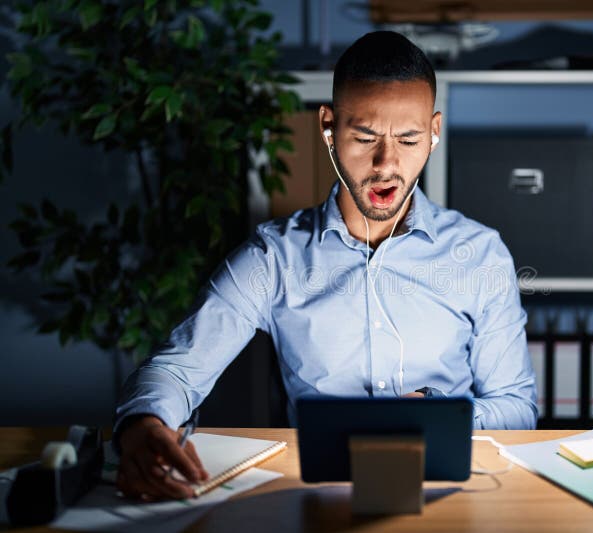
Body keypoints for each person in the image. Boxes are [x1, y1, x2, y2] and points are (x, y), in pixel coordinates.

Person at [114, 31, 538, 501]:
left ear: (434, 132)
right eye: (365, 137)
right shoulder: (274, 258)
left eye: (409, 139)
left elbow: (517, 408)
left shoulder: (481, 254)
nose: (386, 164)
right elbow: (177, 369)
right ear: (329, 127)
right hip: (316, 496)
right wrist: (143, 422)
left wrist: (440, 413)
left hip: (446, 492)